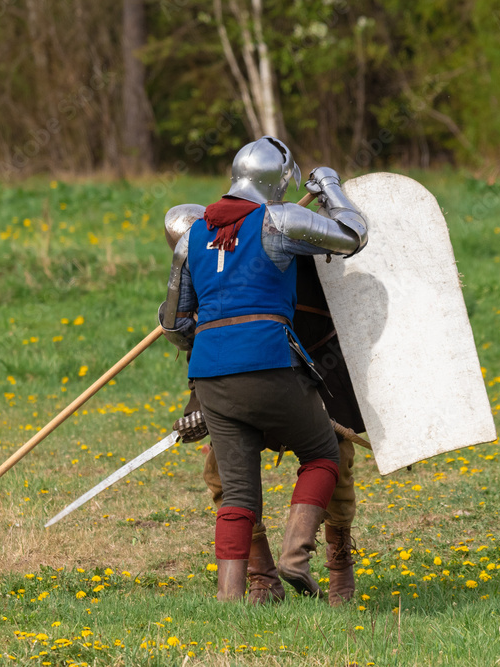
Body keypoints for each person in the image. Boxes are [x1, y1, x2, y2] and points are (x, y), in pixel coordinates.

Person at [159, 136, 367, 601]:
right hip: (271, 364)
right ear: (280, 181)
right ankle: (293, 558)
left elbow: (174, 324)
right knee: (321, 454)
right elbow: (354, 235)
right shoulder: (281, 219)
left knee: (236, 494)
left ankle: (230, 601)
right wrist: (330, 185)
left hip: (212, 376)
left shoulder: (194, 236)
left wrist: (218, 338)